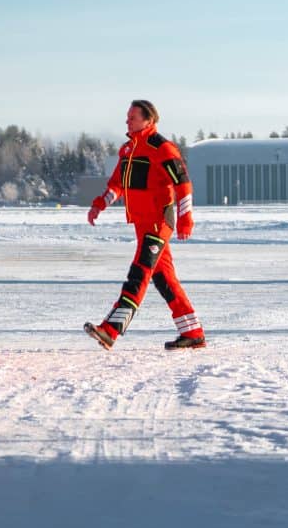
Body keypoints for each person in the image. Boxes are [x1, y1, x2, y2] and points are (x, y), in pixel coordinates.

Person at [84, 100, 206, 350]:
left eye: (132, 117)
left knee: (139, 273)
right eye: (127, 117)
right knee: (164, 278)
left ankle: (110, 330)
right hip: (141, 223)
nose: (127, 121)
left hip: (159, 222)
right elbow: (117, 184)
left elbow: (183, 183)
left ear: (148, 120)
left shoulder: (162, 148)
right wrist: (100, 204)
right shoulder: (128, 150)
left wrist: (186, 217)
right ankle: (192, 331)